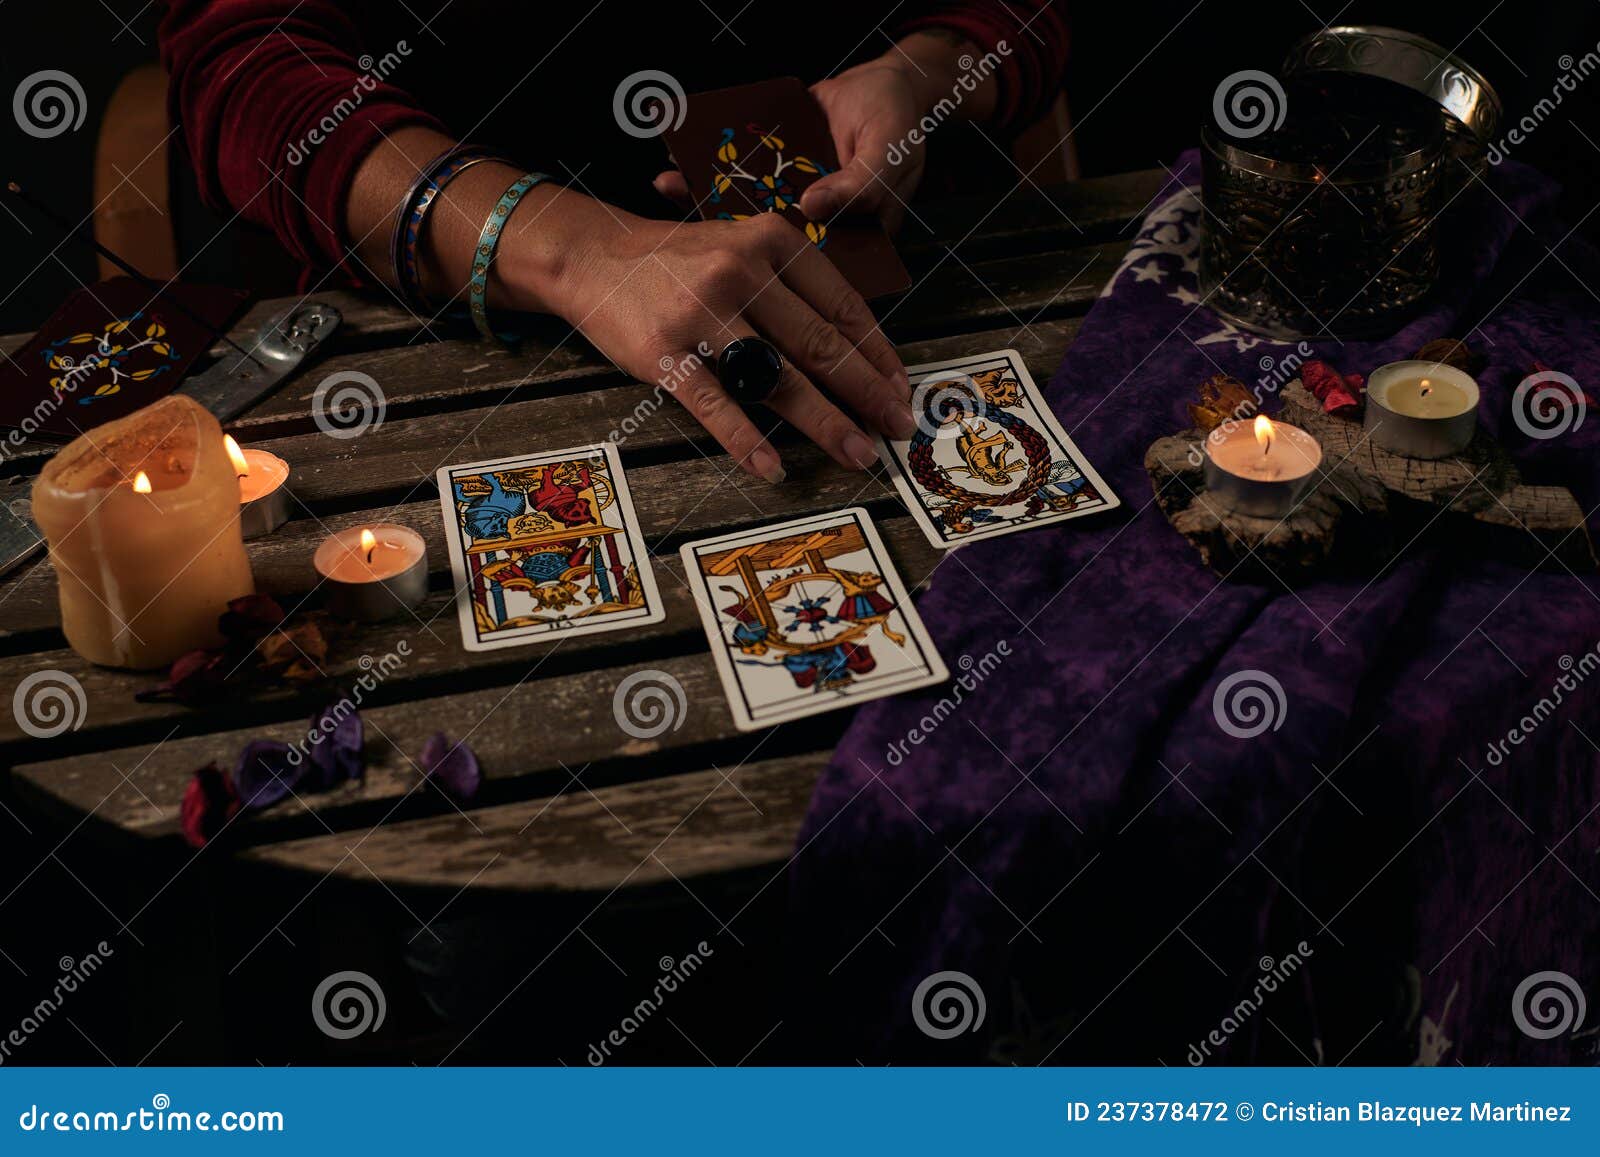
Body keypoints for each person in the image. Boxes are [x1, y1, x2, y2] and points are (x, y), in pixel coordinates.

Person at [158, 1, 1069, 482]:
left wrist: (930, 68)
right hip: (457, 373)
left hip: (909, 304)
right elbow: (245, 71)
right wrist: (570, 246)